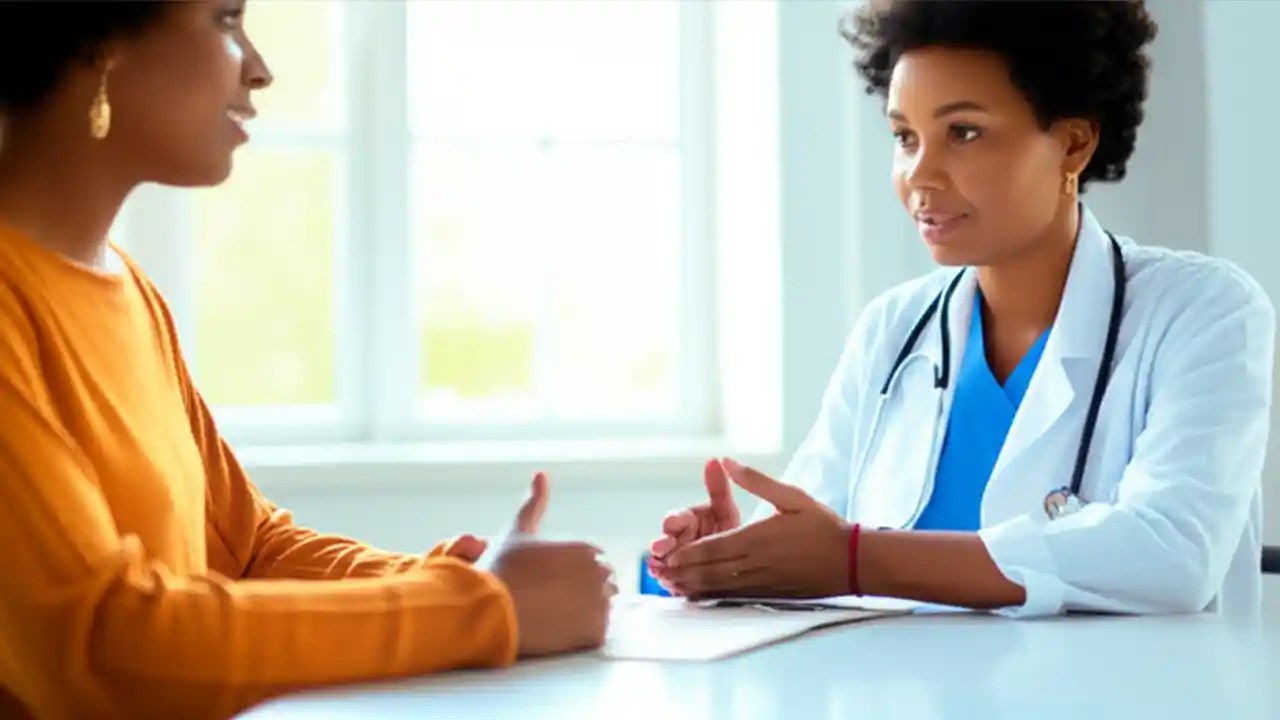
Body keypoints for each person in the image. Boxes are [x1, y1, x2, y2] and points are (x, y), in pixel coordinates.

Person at [0, 3, 615, 719]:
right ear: (100, 38)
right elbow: (99, 642)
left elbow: (248, 550)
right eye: (225, 21)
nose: (258, 69)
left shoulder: (129, 292)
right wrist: (484, 606)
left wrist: (456, 577)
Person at [649, 0, 1275, 618]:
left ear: (1075, 145)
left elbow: (1172, 556)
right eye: (904, 137)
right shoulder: (893, 330)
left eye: (964, 133)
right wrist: (736, 560)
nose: (920, 175)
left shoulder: (1202, 312)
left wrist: (858, 560)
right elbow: (810, 537)